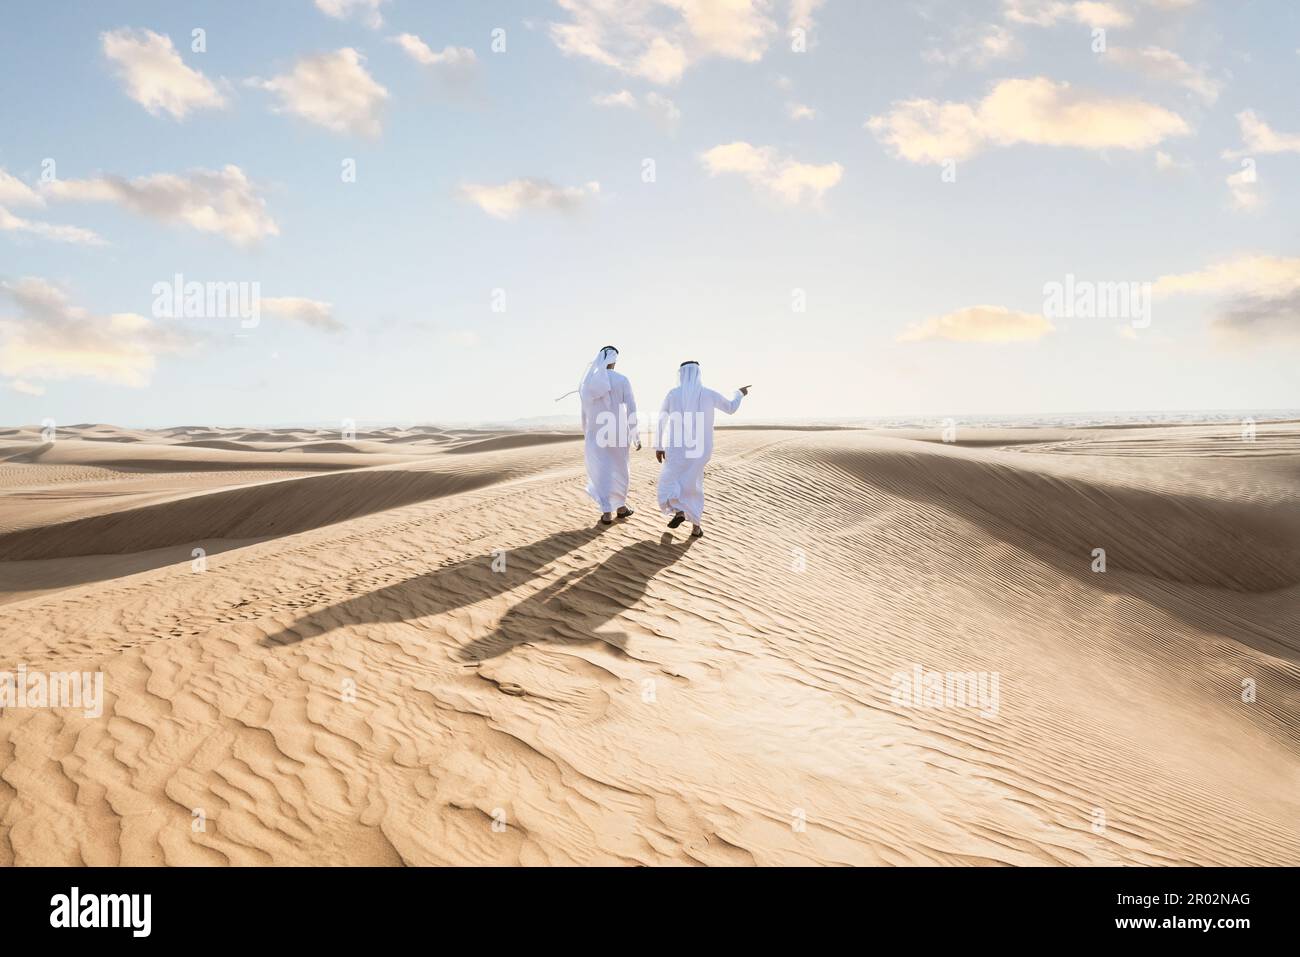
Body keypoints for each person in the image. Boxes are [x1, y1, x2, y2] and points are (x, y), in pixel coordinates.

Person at [653, 361, 750, 538]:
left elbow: (661, 419)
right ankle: (696, 527)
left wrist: (659, 446)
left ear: (681, 374)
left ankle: (680, 512)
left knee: (674, 480)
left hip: (676, 447)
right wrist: (739, 394)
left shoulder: (673, 394)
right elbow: (730, 408)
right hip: (699, 448)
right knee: (694, 483)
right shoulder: (708, 393)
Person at [578, 345, 640, 524]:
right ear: (614, 361)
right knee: (621, 469)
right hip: (619, 432)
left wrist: (586, 431)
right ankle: (620, 507)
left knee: (602, 470)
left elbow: (584, 411)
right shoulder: (622, 380)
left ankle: (607, 511)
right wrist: (635, 434)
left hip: (596, 433)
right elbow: (631, 407)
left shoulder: (589, 382)